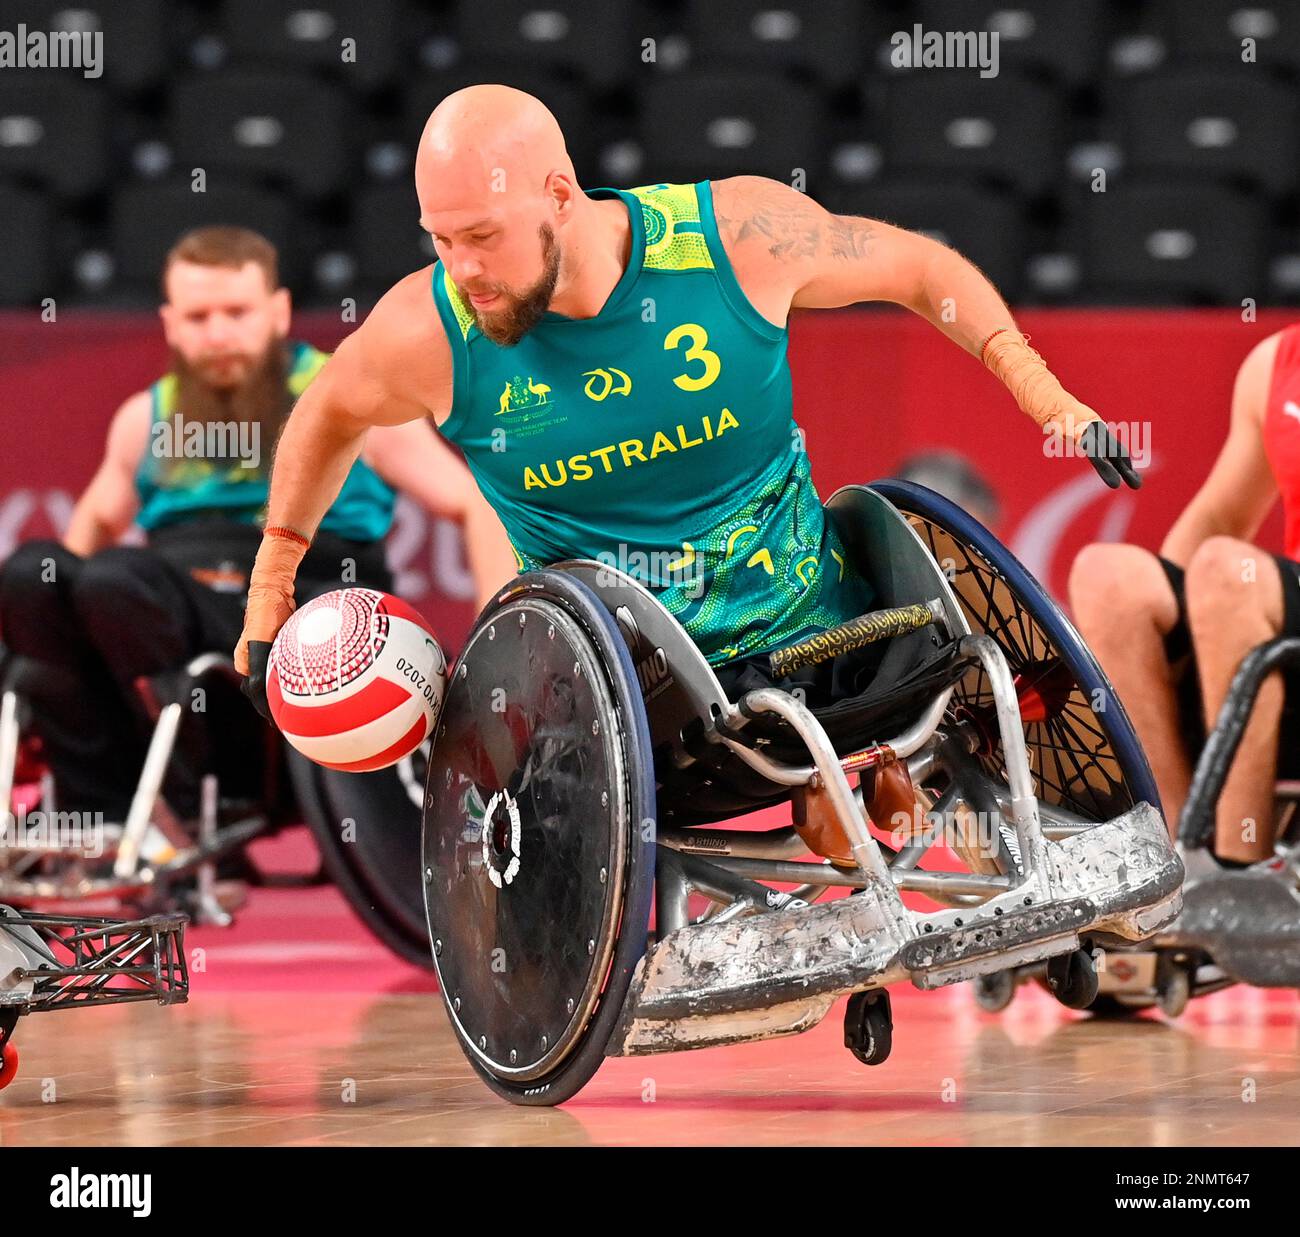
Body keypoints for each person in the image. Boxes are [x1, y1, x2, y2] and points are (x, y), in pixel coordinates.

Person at [235, 83, 1135, 723]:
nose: (462, 268)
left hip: (817, 636)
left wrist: (1044, 392)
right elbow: (327, 413)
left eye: (481, 236)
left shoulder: (733, 238)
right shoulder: (431, 330)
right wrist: (269, 591)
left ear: (559, 193)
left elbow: (919, 269)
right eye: (440, 239)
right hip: (621, 687)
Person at [0, 225, 514, 820]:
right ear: (169, 324)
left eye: (237, 312)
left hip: (300, 609)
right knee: (28, 578)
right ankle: (105, 812)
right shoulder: (145, 420)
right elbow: (81, 542)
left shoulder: (348, 396)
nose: (219, 334)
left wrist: (494, 642)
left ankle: (186, 807)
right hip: (166, 604)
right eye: (198, 318)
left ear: (278, 311)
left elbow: (473, 503)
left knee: (114, 582)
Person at [1072, 325, 1300, 865]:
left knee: (1226, 570)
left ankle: (1237, 866)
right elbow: (1221, 515)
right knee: (1106, 575)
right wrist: (1185, 625)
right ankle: (1172, 861)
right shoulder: (1276, 362)